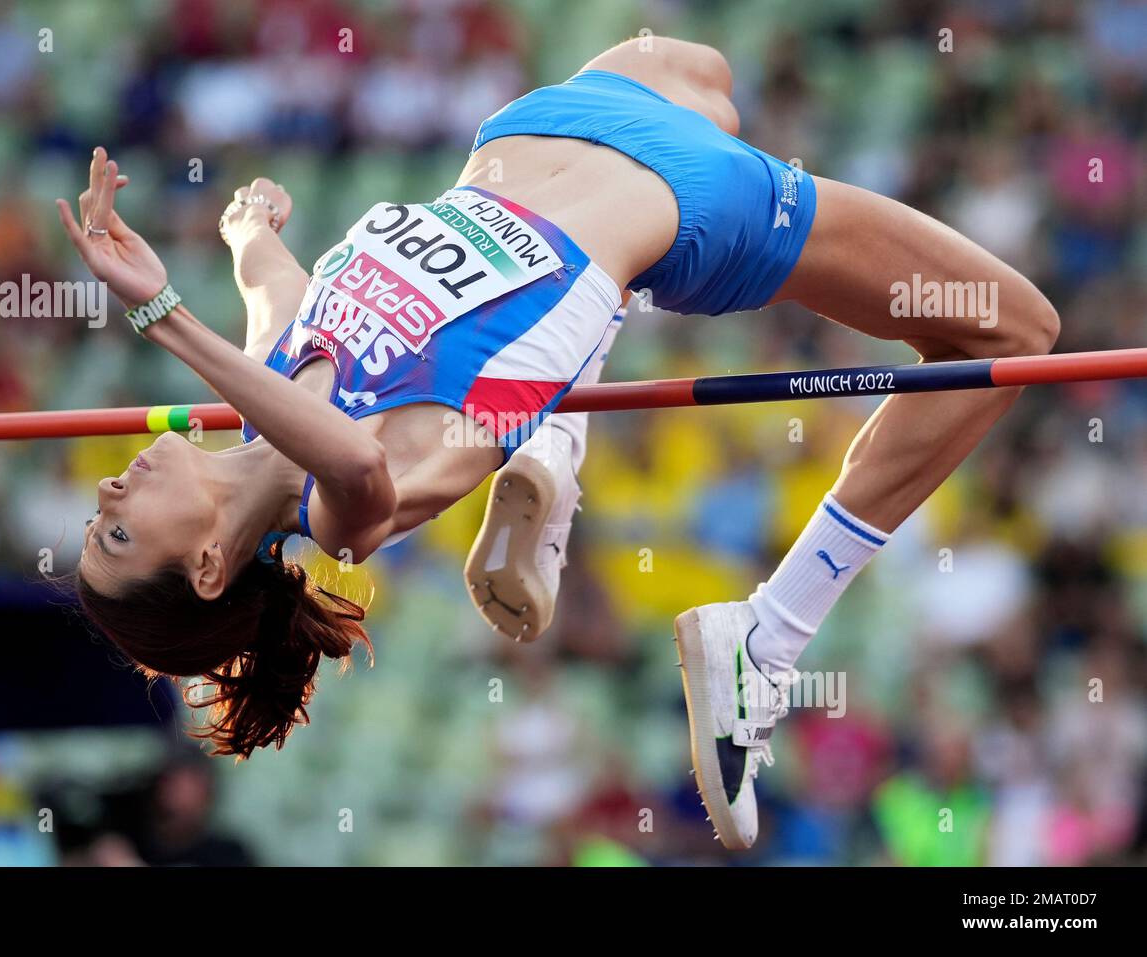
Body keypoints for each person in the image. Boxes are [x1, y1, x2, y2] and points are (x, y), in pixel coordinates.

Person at [59, 37, 1058, 849]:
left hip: (542, 132)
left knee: (701, 70)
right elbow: (350, 456)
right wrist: (164, 318)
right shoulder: (344, 515)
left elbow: (272, 286)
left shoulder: (269, 372)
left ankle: (552, 422)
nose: (107, 492)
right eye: (116, 535)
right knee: (1008, 332)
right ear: (203, 566)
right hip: (687, 209)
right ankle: (766, 635)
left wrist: (243, 227)